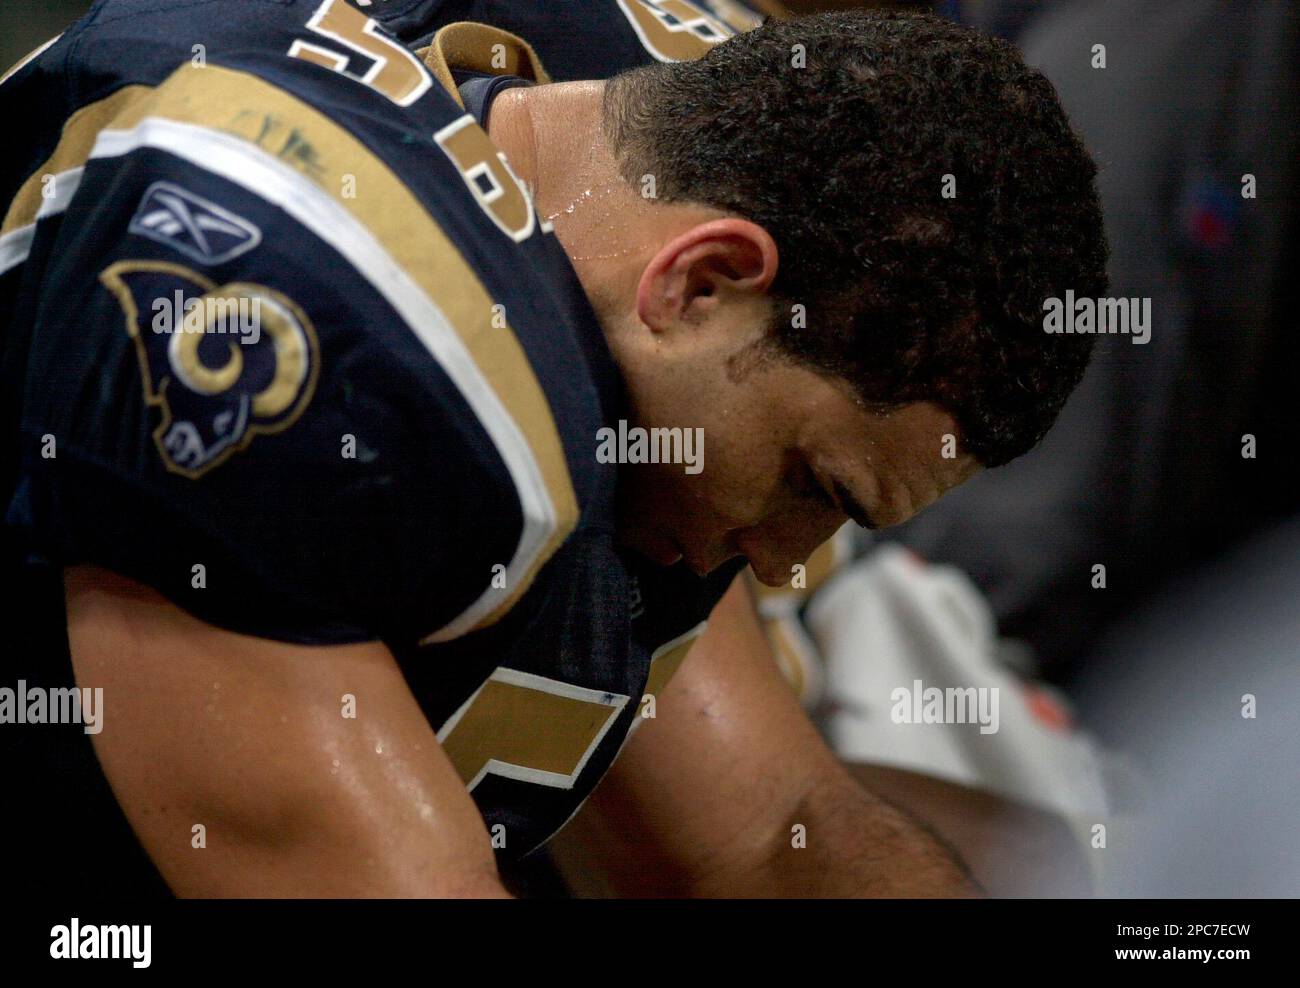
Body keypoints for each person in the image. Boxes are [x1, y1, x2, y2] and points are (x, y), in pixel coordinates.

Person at [0, 2, 1106, 896]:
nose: (782, 560)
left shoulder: (641, 166)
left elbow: (767, 842)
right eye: (813, 486)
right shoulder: (320, 313)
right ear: (702, 279)